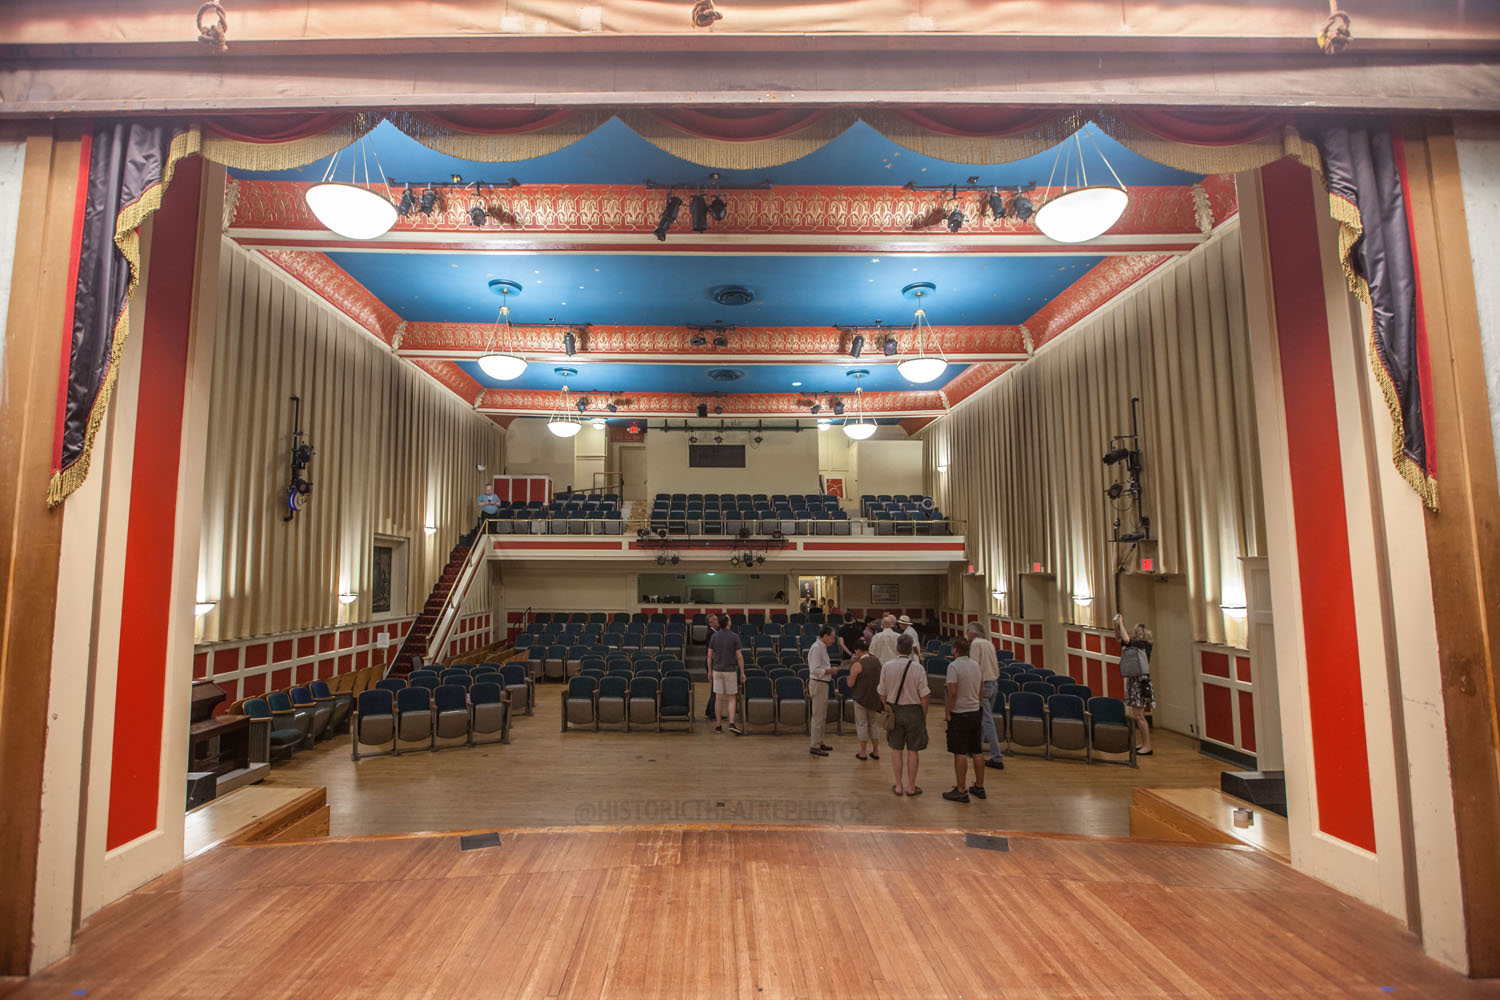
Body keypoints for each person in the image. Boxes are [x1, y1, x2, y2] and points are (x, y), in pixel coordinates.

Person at [878, 633, 930, 796]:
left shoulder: (887, 666)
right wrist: (923, 715)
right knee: (913, 751)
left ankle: (899, 786)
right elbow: (924, 696)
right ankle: (912, 787)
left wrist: (887, 705)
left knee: (896, 749)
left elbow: (881, 692)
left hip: (894, 710)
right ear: (911, 651)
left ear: (897, 648)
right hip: (914, 710)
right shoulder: (918, 668)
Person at [942, 635, 987, 803]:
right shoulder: (976, 666)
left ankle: (961, 789)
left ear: (955, 650)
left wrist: (948, 711)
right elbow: (982, 689)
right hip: (975, 710)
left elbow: (952, 692)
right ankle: (979, 786)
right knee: (977, 750)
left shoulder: (953, 667)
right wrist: (977, 703)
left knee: (959, 751)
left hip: (960, 713)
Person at [1114, 613, 1155, 755]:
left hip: (1141, 683)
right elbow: (1119, 638)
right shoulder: (1136, 644)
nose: (1131, 632)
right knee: (1137, 715)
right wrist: (1117, 624)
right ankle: (1143, 743)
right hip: (1134, 682)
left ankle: (1147, 746)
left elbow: (1126, 638)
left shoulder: (1144, 645)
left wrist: (1122, 622)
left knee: (1139, 715)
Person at [966, 620, 1004, 770]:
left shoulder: (976, 644)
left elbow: (974, 666)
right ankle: (976, 748)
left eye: (968, 631)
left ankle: (997, 757)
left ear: (973, 633)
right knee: (983, 719)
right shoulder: (989, 643)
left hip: (984, 684)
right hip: (994, 682)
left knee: (987, 722)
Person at [844, 636, 883, 761]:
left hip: (861, 698)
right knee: (874, 724)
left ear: (858, 650)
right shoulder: (877, 661)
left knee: (862, 724)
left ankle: (863, 752)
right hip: (875, 698)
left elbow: (850, 684)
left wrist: (848, 678)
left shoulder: (857, 664)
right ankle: (876, 751)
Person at [707, 614, 745, 735]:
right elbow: (739, 656)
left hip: (717, 670)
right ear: (728, 623)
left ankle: (718, 726)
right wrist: (742, 672)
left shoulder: (714, 636)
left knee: (718, 698)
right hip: (730, 671)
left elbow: (709, 656)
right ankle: (732, 723)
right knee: (732, 698)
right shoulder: (734, 637)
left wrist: (709, 671)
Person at [807, 625, 837, 756]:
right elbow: (814, 669)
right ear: (824, 636)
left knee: (822, 716)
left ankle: (820, 741)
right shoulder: (816, 648)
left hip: (823, 683)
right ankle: (814, 745)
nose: (833, 640)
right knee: (817, 717)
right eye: (832, 638)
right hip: (818, 683)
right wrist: (829, 671)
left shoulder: (822, 647)